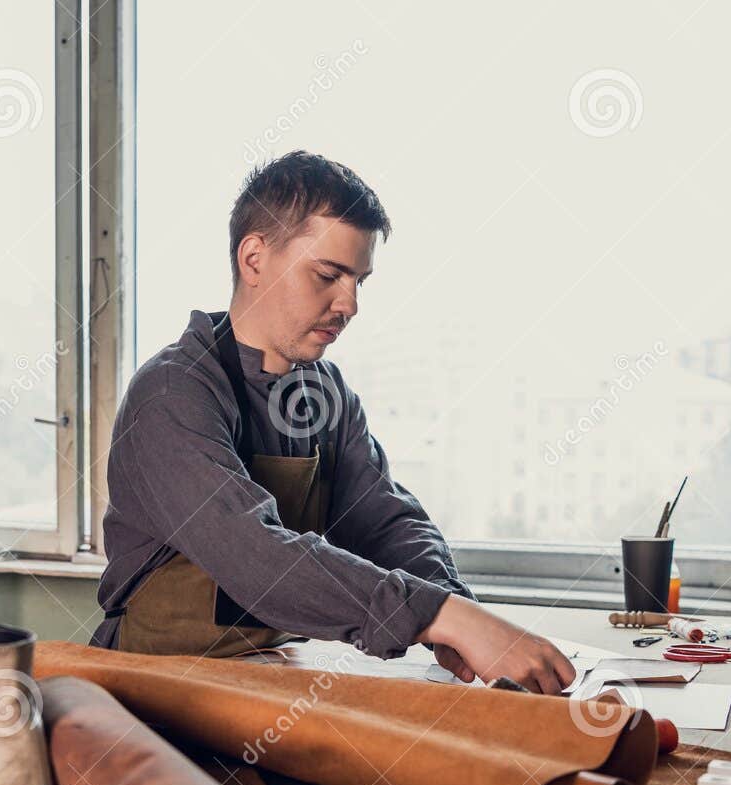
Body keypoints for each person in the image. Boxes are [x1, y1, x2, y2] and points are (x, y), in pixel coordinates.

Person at [90, 151, 576, 694]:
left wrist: (454, 613)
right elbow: (257, 558)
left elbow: (384, 519)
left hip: (264, 678)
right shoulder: (173, 393)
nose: (349, 304)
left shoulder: (324, 393)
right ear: (254, 259)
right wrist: (444, 617)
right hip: (151, 694)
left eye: (359, 281)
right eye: (328, 275)